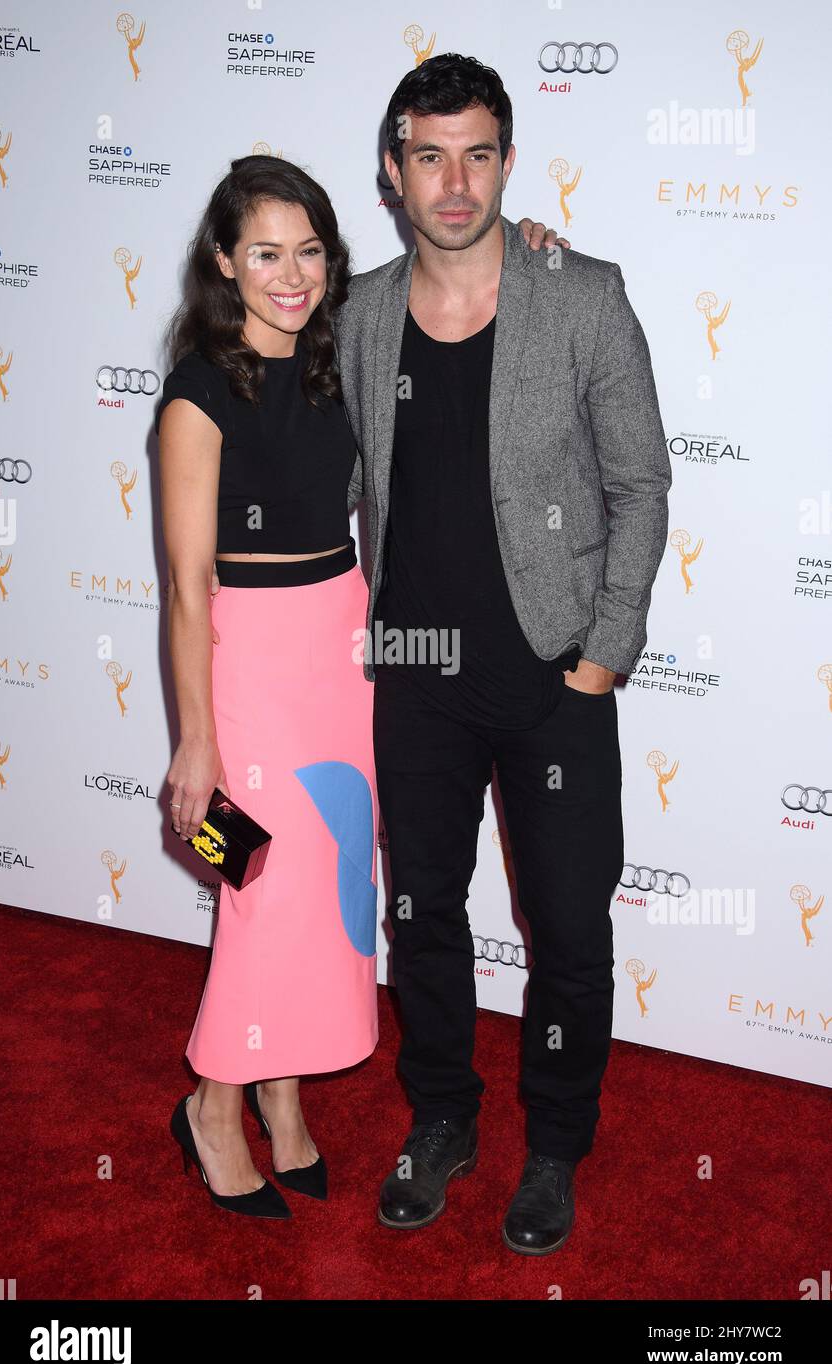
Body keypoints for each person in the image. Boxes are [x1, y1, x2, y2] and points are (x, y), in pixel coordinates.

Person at [159, 153, 560, 1218]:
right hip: (244, 659)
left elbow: (453, 273)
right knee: (256, 883)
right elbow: (187, 591)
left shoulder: (346, 350)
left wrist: (535, 255)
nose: (291, 276)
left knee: (332, 878)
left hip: (341, 646)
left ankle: (282, 1099)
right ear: (222, 262)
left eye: (309, 253)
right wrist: (195, 741)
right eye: (264, 254)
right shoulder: (198, 391)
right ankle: (211, 1100)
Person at [334, 54, 672, 1253]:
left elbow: (641, 482)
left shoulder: (580, 293)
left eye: (479, 153)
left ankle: (555, 1147)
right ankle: (440, 1118)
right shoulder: (361, 313)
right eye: (431, 155)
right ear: (394, 170)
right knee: (423, 917)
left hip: (553, 676)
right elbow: (343, 473)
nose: (457, 181)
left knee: (570, 929)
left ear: (510, 163)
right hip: (417, 673)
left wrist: (604, 655)